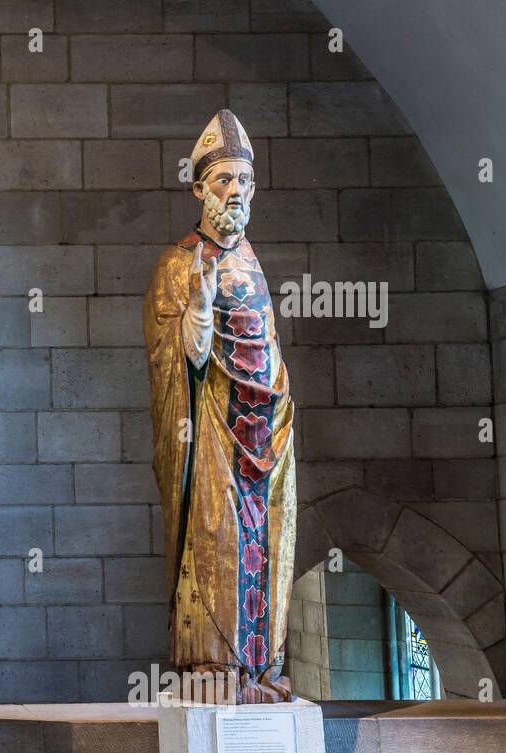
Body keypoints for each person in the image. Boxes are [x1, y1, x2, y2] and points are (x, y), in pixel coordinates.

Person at [142, 110, 296, 704]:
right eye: (224, 180)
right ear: (199, 188)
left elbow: (269, 346)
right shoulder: (178, 264)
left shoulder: (253, 261)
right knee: (215, 534)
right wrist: (199, 315)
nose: (235, 191)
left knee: (265, 539)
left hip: (267, 433)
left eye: (244, 181)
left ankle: (260, 665)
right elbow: (174, 358)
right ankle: (213, 664)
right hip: (209, 428)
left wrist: (280, 405)